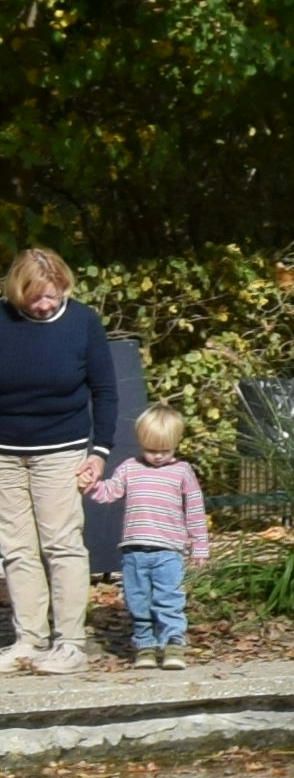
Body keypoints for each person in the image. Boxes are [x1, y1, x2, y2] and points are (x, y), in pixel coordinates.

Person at [0, 256, 119, 684]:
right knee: (17, 549)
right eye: (35, 299)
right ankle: (28, 641)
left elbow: (104, 391)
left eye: (52, 296)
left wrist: (99, 452)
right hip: (4, 454)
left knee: (62, 545)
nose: (45, 306)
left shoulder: (82, 322)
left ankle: (69, 642)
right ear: (18, 293)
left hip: (61, 450)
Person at [92, 422, 197, 666]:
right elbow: (110, 492)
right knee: (137, 600)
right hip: (134, 549)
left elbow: (194, 509)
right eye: (151, 450)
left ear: (176, 444)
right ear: (141, 443)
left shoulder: (182, 471)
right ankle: (145, 645)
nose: (158, 456)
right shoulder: (130, 468)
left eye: (166, 450)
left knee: (168, 598)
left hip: (169, 550)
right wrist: (92, 484)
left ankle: (173, 644)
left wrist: (199, 545)